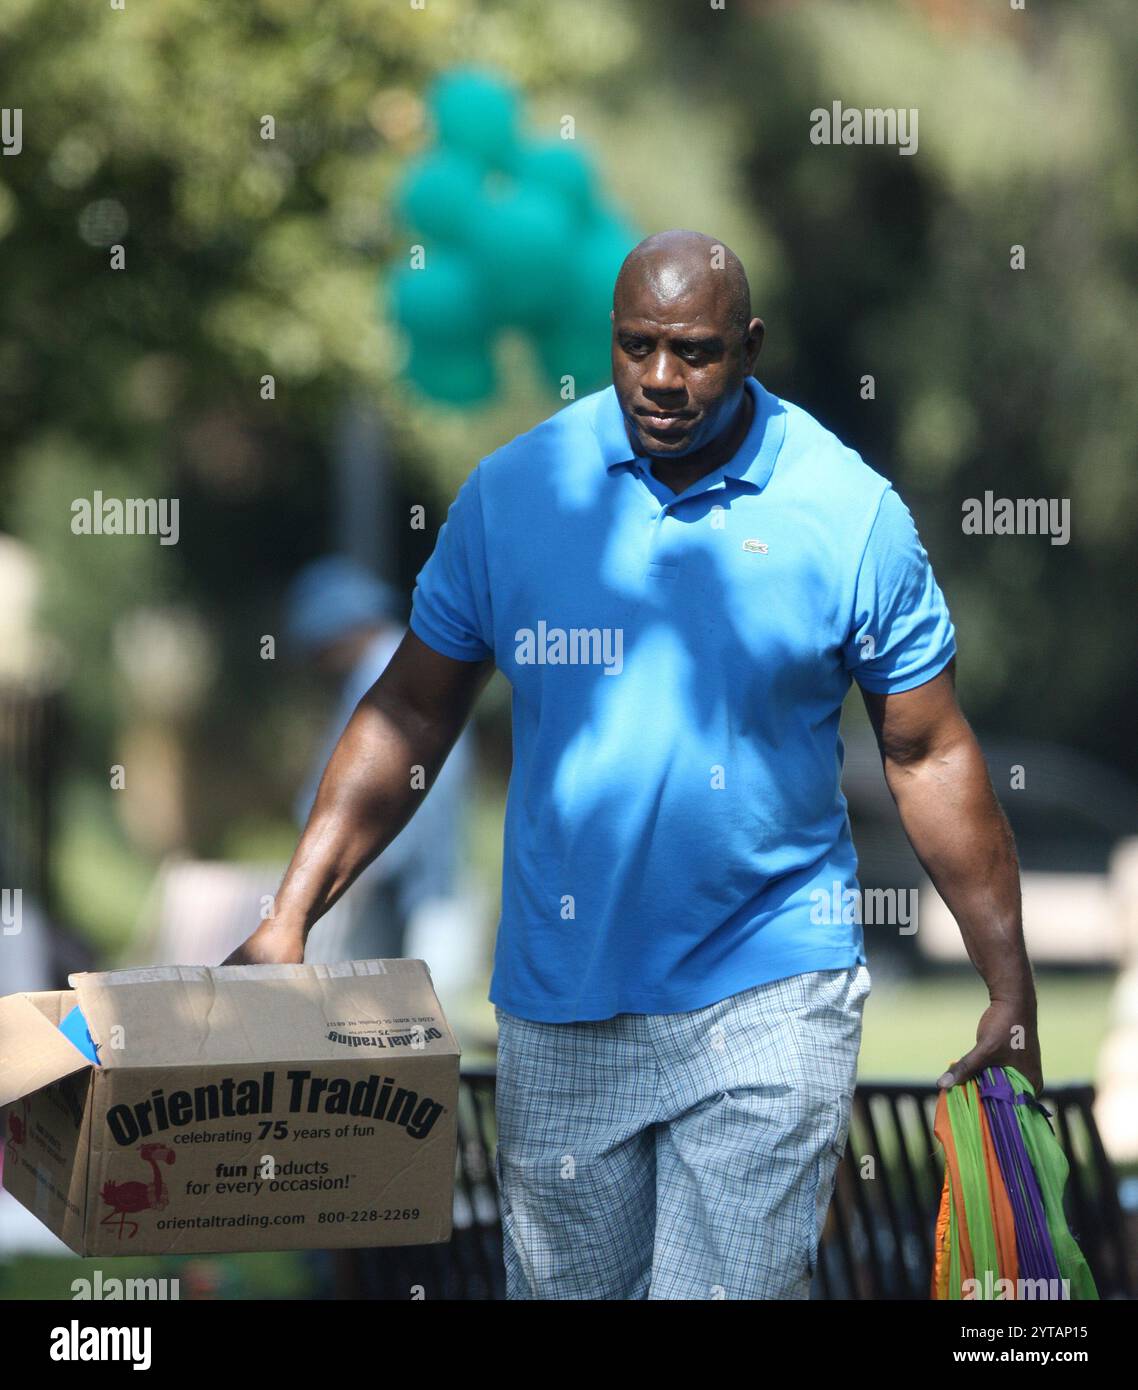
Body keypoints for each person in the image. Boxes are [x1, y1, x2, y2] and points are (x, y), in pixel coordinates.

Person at [226, 229, 1042, 1300]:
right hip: (561, 1001)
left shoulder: (847, 515)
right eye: (636, 347)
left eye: (695, 352)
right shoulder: (519, 496)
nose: (661, 380)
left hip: (770, 983)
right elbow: (411, 713)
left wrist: (1006, 976)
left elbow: (926, 749)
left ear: (748, 347)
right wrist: (294, 910)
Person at [281, 555, 472, 967]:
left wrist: (352, 858)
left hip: (403, 879)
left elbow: (403, 781)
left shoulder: (389, 670)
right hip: (403, 875)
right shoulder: (387, 666)